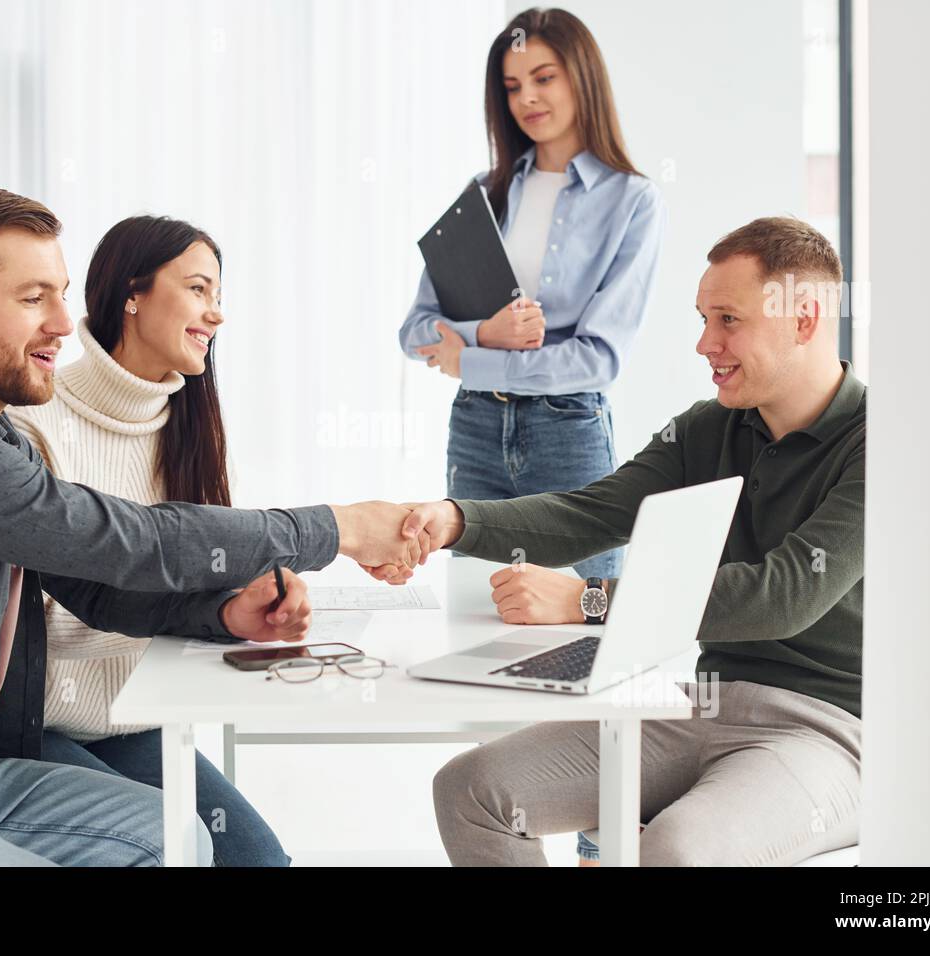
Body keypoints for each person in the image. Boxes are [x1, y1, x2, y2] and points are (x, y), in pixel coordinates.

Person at [0, 185, 428, 867]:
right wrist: (339, 526)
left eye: (60, 293)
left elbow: (92, 582)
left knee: (178, 840)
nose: (64, 321)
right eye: (33, 298)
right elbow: (129, 540)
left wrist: (224, 613)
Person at [376, 216, 864, 866]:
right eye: (703, 318)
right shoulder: (707, 430)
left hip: (826, 734)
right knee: (472, 789)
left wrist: (590, 601)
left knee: (677, 849)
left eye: (727, 320)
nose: (704, 344)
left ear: (803, 320)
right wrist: (454, 520)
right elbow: (591, 513)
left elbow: (784, 596)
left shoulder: (877, 442)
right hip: (699, 704)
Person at [398, 6, 665, 863]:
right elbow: (414, 331)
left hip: (568, 435)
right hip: (476, 437)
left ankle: (602, 853)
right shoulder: (483, 197)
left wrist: (470, 355)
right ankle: (507, 838)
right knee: (487, 642)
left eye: (544, 79)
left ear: (582, 78)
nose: (527, 100)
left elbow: (597, 359)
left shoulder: (632, 200)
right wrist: (494, 340)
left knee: (592, 654)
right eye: (512, 86)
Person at [5, 215, 290, 866]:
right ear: (132, 293)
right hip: (38, 725)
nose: (214, 314)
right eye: (197, 289)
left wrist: (257, 605)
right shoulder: (33, 428)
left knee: (259, 861)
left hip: (139, 724)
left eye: (218, 297)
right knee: (167, 850)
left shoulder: (196, 438)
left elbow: (213, 586)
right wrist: (199, 614)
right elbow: (33, 625)